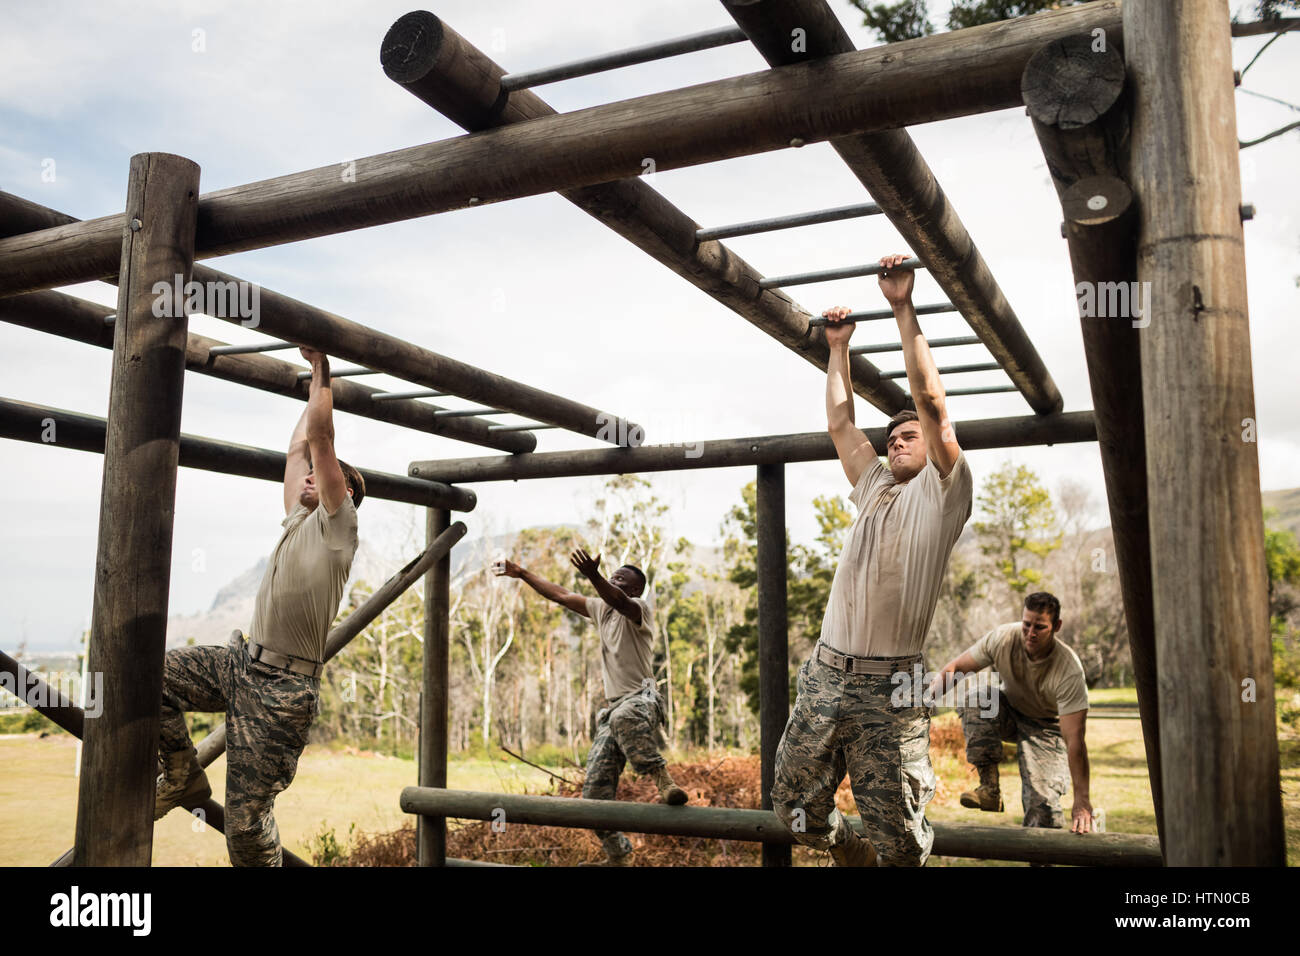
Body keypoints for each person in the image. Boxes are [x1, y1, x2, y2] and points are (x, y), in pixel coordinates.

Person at [771, 253, 974, 867]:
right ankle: (846, 848)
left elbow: (932, 404)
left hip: (892, 687)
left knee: (901, 837)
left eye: (906, 437)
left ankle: (878, 853)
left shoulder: (944, 493)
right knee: (793, 805)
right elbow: (840, 422)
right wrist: (837, 346)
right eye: (891, 438)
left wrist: (901, 307)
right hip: (828, 672)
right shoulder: (876, 488)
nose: (895, 441)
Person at [153, 347, 365, 866]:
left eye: (323, 476)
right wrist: (307, 385)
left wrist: (322, 370)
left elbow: (320, 441)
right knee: (149, 675)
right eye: (310, 476)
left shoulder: (339, 529)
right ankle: (182, 771)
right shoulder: (298, 518)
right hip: (241, 664)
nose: (310, 477)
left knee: (245, 827)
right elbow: (299, 449)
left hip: (283, 694)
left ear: (345, 494)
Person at [493, 547, 687, 865]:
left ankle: (663, 779)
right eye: (612, 575)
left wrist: (594, 575)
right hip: (614, 711)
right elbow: (561, 595)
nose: (613, 578)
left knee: (625, 714)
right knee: (593, 795)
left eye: (621, 578)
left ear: (636, 588)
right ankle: (618, 856)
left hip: (643, 700)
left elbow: (619, 601)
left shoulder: (638, 608)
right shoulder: (600, 609)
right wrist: (523, 573)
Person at [929, 592, 1093, 832]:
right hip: (1011, 714)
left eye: (1040, 627)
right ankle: (989, 789)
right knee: (978, 697)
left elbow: (1075, 740)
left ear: (1056, 626)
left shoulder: (1068, 669)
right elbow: (956, 668)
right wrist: (923, 700)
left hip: (1047, 729)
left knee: (1042, 809)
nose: (1031, 633)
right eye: (1027, 624)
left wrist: (1082, 800)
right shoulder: (1003, 638)